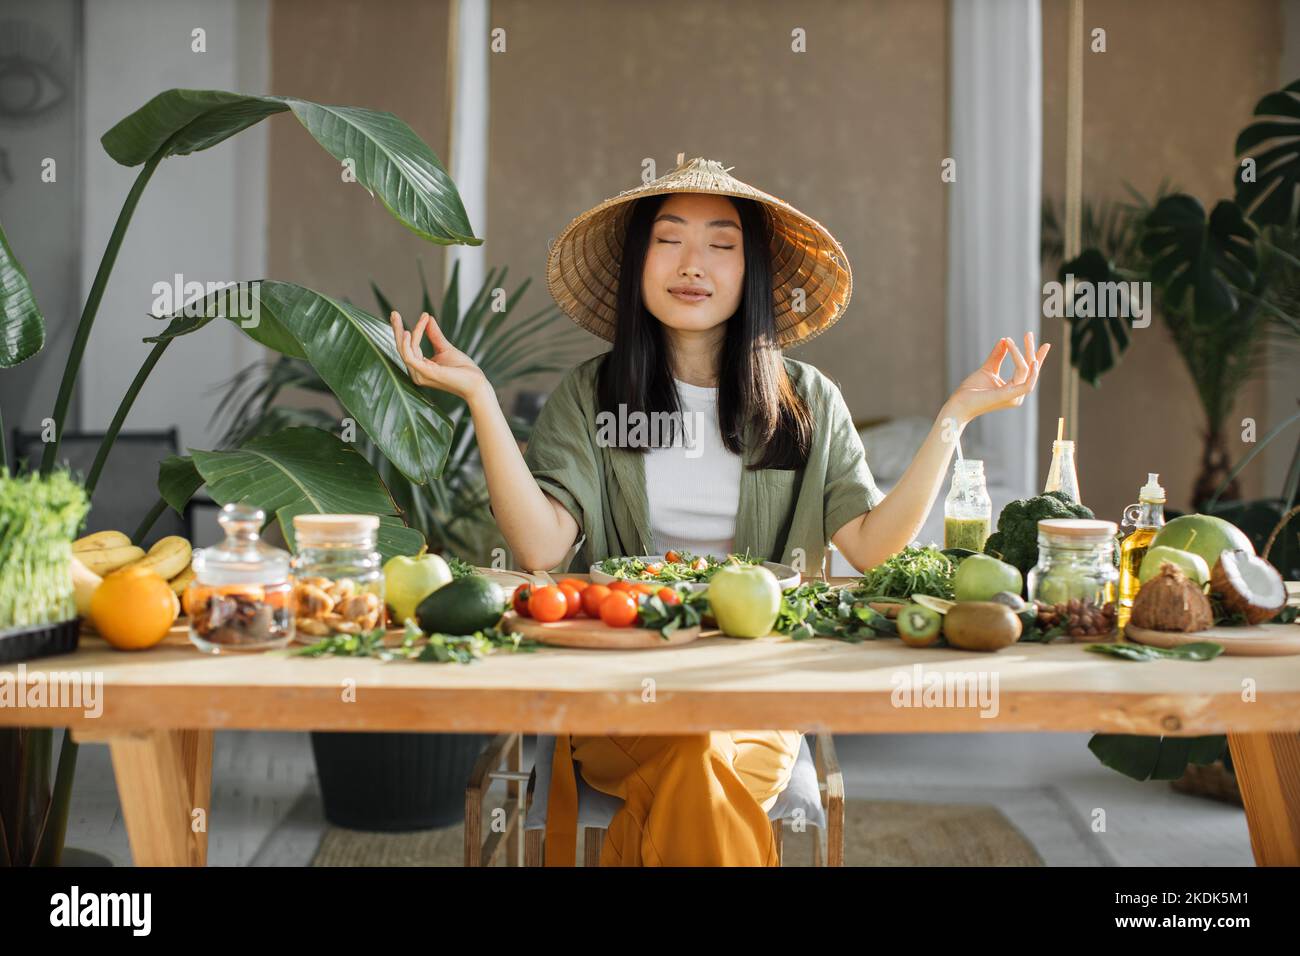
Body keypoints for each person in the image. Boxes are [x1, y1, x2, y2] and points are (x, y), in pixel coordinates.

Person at [390, 156, 1049, 866]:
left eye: (722, 244)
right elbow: (540, 548)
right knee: (694, 765)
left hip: (753, 695)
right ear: (639, 263)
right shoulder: (591, 395)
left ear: (752, 272)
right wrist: (482, 401)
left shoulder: (806, 401)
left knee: (701, 755)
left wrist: (954, 419)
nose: (692, 263)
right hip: (620, 694)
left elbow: (873, 550)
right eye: (668, 239)